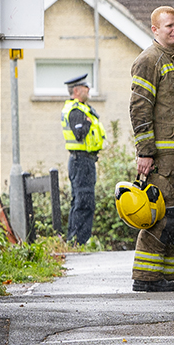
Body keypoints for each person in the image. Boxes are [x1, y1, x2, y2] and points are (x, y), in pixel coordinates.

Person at [129, 6, 174, 292]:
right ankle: (147, 278)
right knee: (163, 215)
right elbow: (139, 108)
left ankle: (166, 277)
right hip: (161, 158)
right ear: (155, 30)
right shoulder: (148, 61)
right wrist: (145, 151)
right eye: (169, 26)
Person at [61, 73, 105, 245]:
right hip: (81, 162)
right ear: (77, 91)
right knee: (84, 202)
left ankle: (74, 240)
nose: (89, 90)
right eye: (86, 87)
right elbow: (80, 134)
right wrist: (86, 122)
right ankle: (79, 241)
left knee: (81, 201)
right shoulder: (76, 111)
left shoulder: (81, 109)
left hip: (83, 161)